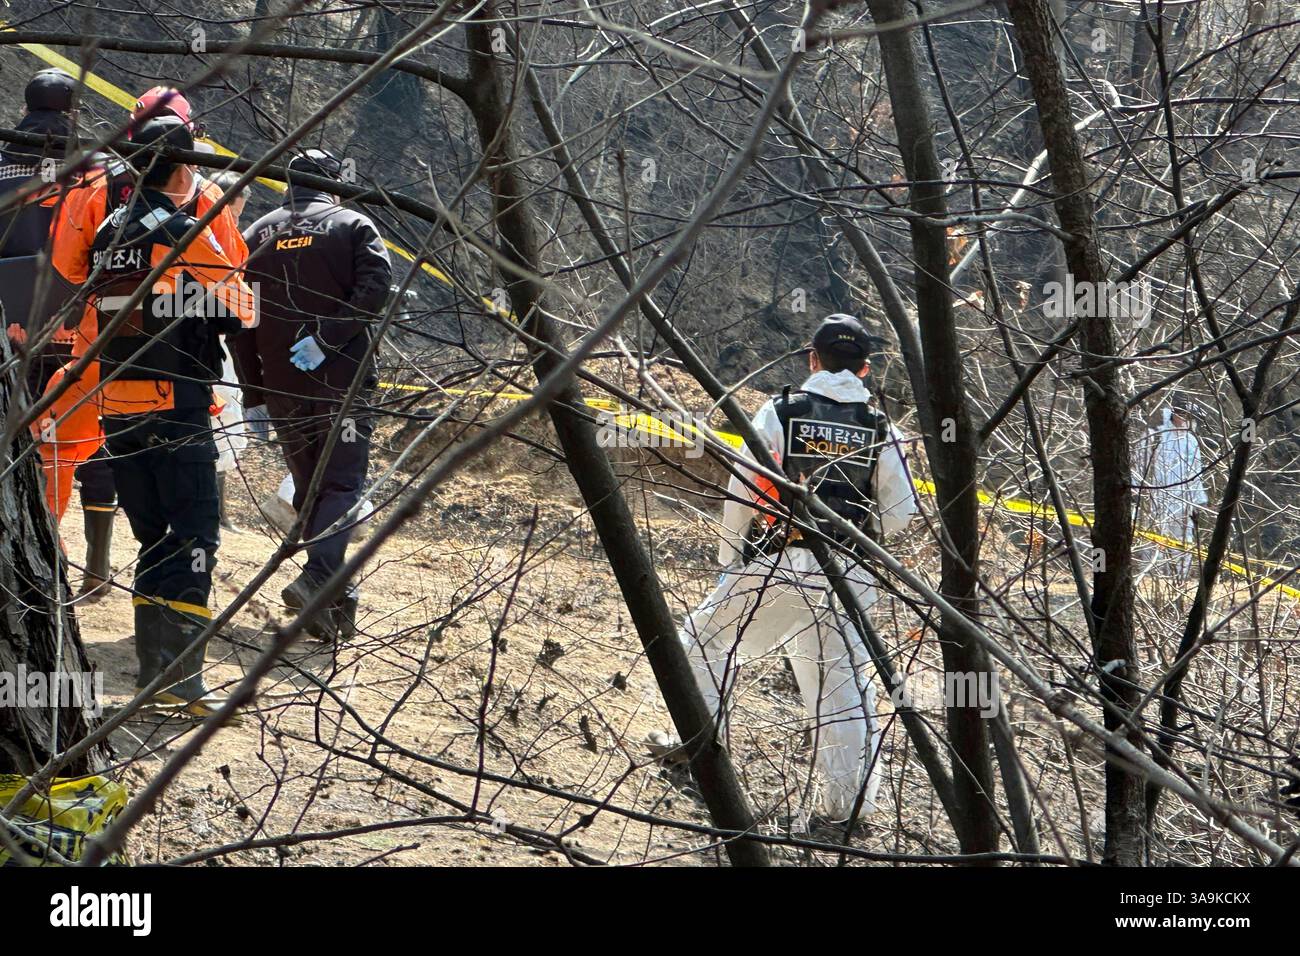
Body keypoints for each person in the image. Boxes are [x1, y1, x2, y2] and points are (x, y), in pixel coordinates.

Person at [651, 314, 917, 827]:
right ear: (865, 369)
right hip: (848, 569)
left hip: (780, 558)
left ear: (812, 359)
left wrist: (730, 557)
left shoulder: (782, 410)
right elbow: (901, 513)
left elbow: (744, 486)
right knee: (841, 687)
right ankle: (847, 806)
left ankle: (700, 755)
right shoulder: (883, 428)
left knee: (704, 641)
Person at [70, 114, 256, 714]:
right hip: (174, 400)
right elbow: (239, 306)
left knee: (156, 537)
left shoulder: (106, 231)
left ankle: (159, 677)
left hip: (115, 404)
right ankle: (178, 682)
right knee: (194, 534)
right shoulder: (184, 226)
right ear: (183, 168)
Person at [234, 148, 391, 642]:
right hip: (341, 381)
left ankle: (333, 607)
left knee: (310, 489)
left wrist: (252, 391)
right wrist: (328, 337)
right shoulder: (351, 223)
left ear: (286, 185)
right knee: (341, 486)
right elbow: (377, 287)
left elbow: (240, 321)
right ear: (333, 184)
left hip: (282, 386)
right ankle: (320, 580)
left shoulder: (255, 234)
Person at [0, 68, 119, 601]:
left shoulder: (1, 162)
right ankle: (50, 553)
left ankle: (29, 548)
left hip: (5, 327)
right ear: (73, 111)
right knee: (65, 447)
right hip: (72, 328)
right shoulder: (97, 172)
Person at [207, 169, 251, 532]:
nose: (234, 221)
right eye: (231, 213)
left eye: (238, 215)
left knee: (227, 420)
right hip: (206, 340)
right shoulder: (205, 237)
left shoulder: (236, 240)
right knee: (214, 416)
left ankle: (220, 511)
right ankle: (209, 507)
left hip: (227, 340)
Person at [1133, 398, 1208, 580]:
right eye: (1186, 417)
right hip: (1156, 499)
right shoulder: (1154, 436)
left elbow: (1196, 473)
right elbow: (1138, 467)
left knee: (1183, 540)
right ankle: (1152, 577)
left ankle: (1179, 578)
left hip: (1184, 502)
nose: (1189, 421)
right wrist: (1138, 493)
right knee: (1154, 539)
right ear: (1176, 415)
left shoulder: (1191, 441)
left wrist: (1197, 501)